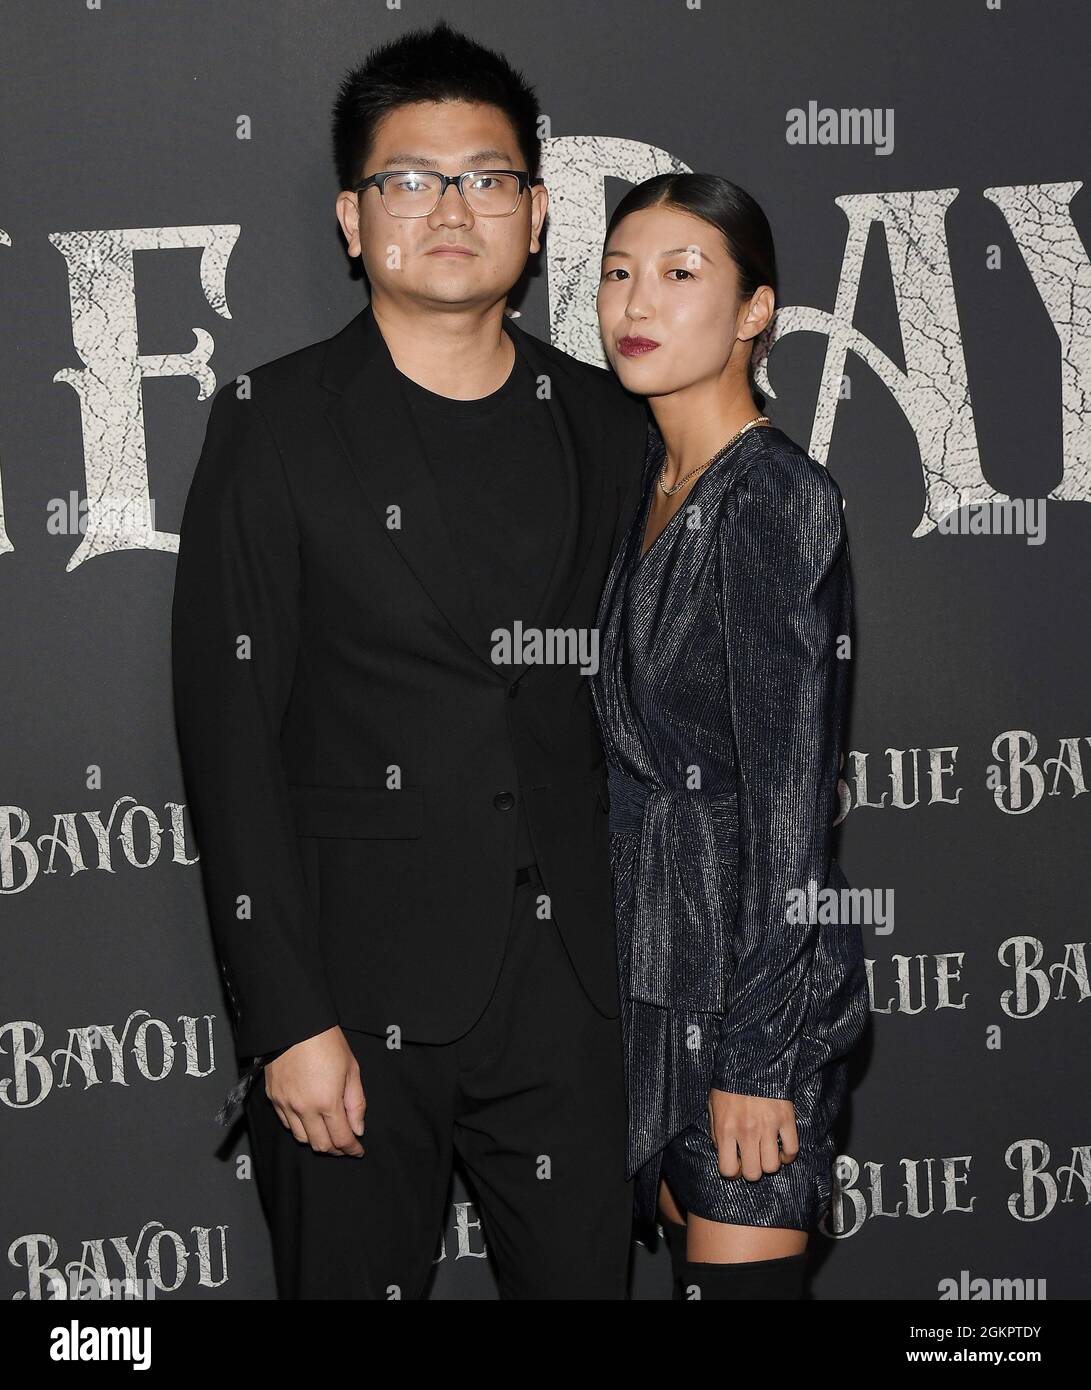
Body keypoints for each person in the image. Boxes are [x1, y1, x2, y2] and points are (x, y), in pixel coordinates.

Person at [170, 20, 648, 1299]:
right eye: (409, 179)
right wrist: (285, 1020)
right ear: (350, 216)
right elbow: (228, 741)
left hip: (574, 1004)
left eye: (487, 177)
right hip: (351, 998)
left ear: (536, 213)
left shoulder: (604, 422)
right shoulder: (273, 425)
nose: (451, 206)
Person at [588, 172, 870, 1300]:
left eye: (677, 272)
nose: (633, 301)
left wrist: (756, 1058)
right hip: (648, 985)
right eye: (615, 273)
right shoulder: (646, 483)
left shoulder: (770, 498)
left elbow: (792, 801)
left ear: (755, 311)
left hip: (744, 1001)